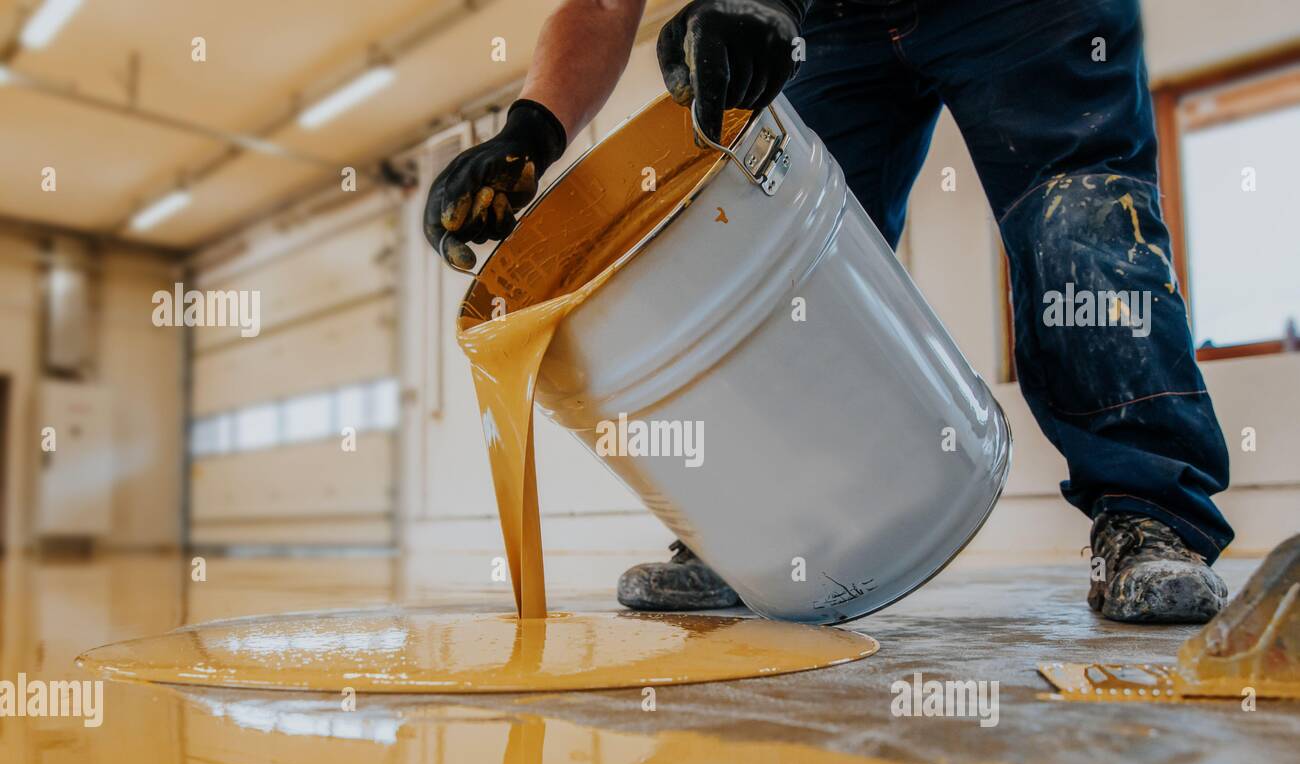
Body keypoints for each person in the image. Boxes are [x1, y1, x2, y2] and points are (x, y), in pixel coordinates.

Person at [424, 0, 1234, 624]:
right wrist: (530, 129)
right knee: (756, 231)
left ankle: (1150, 513)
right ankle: (754, 541)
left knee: (1076, 212)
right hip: (838, 20)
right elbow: (601, 7)